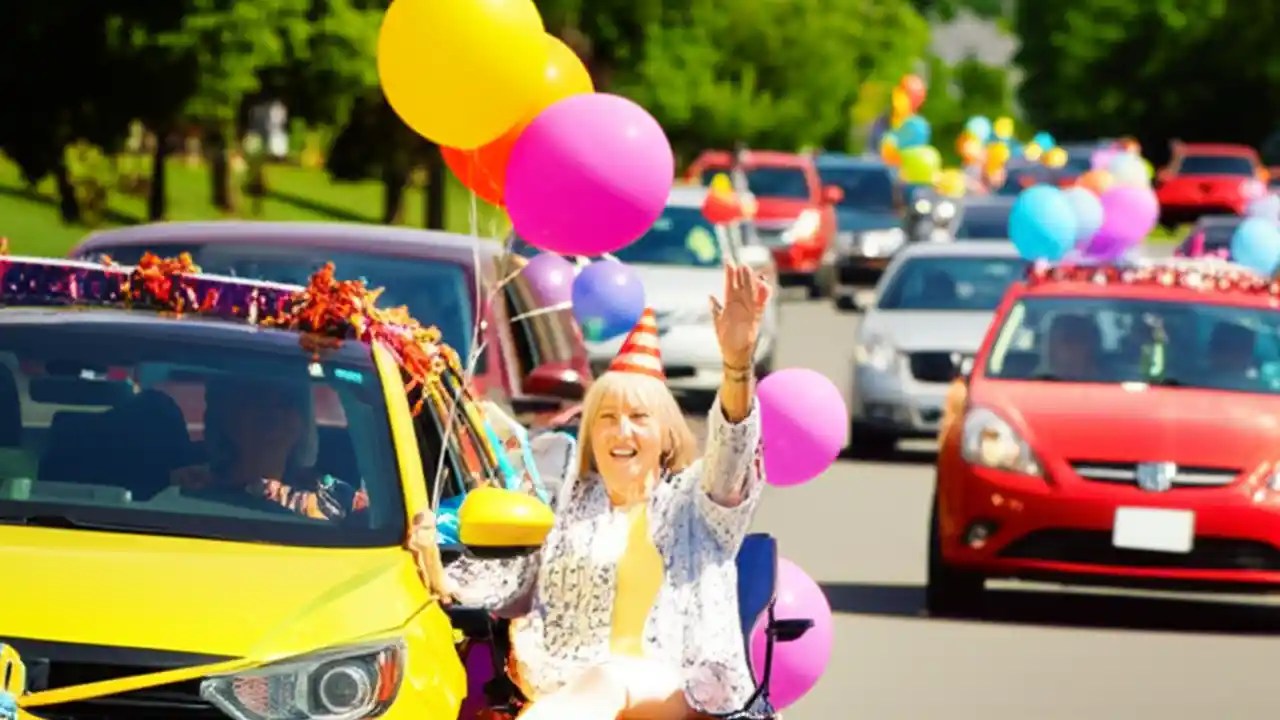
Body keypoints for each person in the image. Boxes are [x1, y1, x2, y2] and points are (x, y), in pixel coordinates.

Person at [437, 263, 772, 720]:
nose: (622, 431)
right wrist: (435, 569)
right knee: (597, 683)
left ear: (667, 436)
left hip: (681, 693)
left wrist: (736, 366)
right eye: (608, 418)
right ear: (591, 433)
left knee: (609, 678)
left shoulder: (696, 504)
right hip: (572, 690)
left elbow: (733, 453)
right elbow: (505, 579)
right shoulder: (566, 506)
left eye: (638, 417)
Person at [169, 375, 367, 519]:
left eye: (286, 402)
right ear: (225, 417)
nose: (275, 415)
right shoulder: (188, 491)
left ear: (303, 421)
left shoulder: (336, 499)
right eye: (257, 401)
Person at [1042, 314, 1101, 380]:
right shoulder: (1033, 383)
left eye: (1079, 341)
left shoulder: (1107, 385)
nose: (1071, 348)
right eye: (1066, 340)